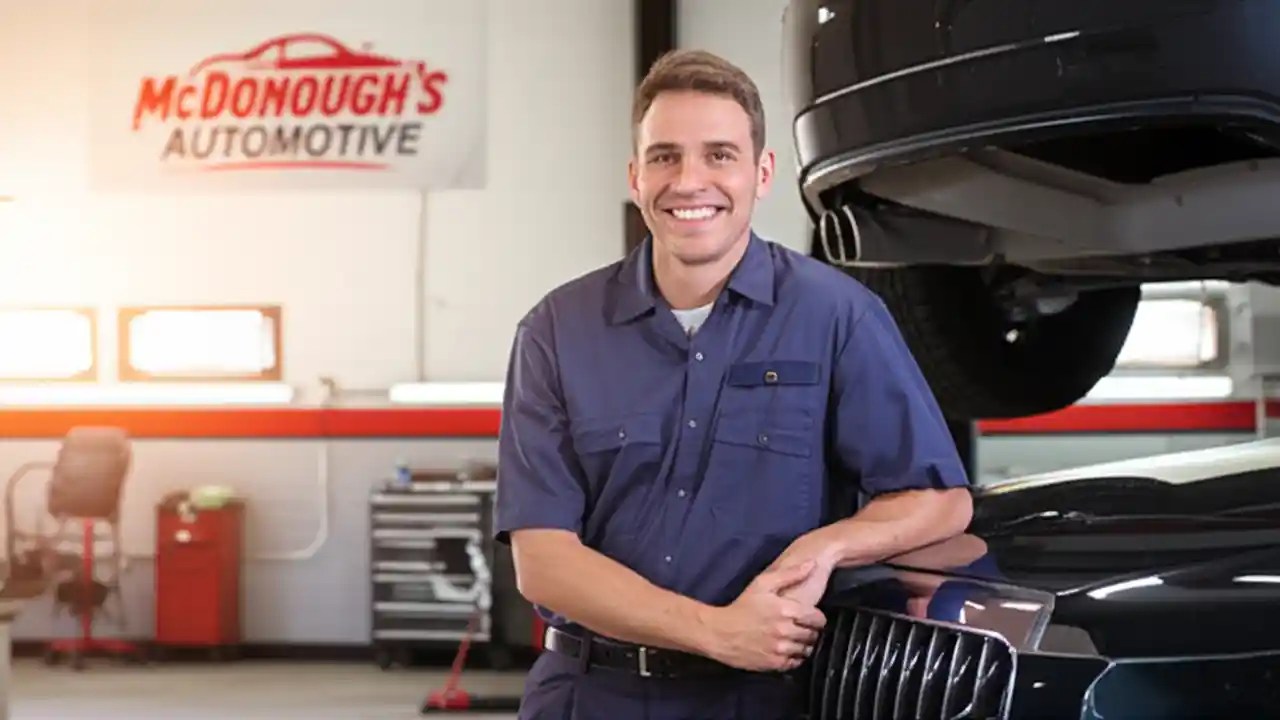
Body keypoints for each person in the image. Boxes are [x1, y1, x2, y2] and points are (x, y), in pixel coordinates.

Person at [493, 48, 974, 719]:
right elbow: (543, 560)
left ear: (762, 172)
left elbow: (937, 500)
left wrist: (828, 543)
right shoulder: (557, 331)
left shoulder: (837, 316)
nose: (689, 181)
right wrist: (715, 631)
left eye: (719, 154)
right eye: (664, 156)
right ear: (635, 176)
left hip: (764, 700)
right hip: (588, 693)